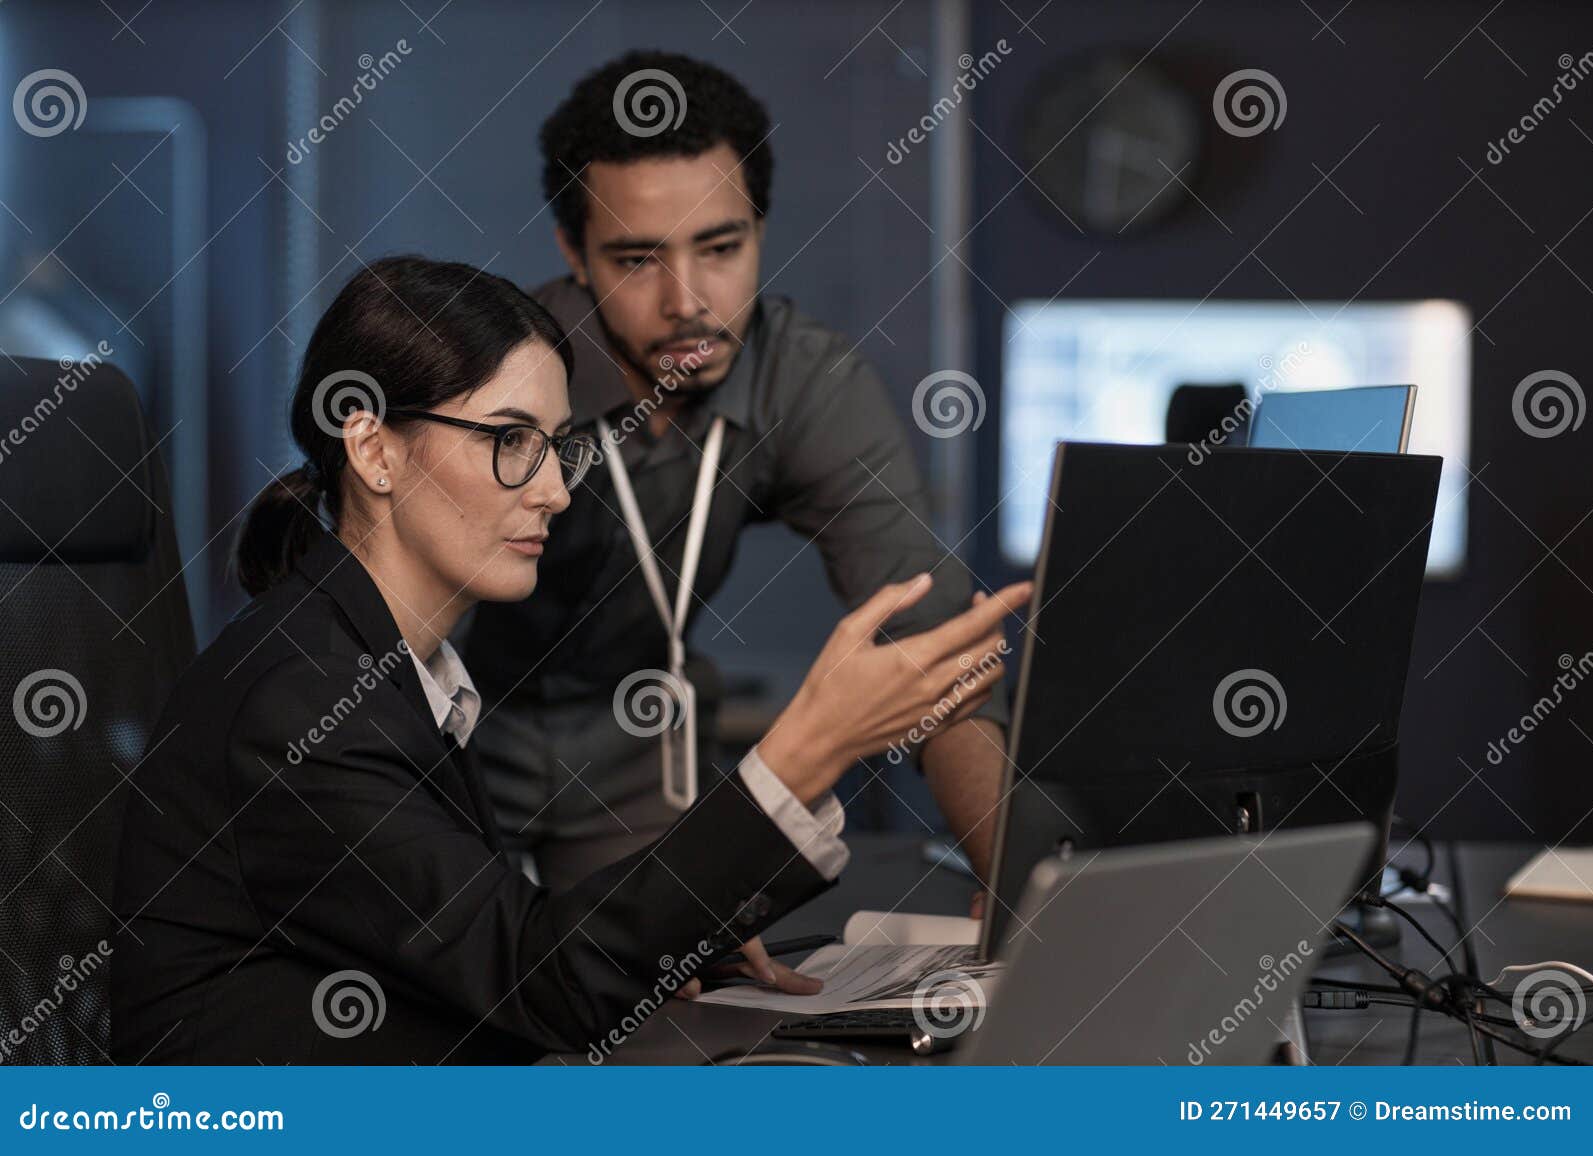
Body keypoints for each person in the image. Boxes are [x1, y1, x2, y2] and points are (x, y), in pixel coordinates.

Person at [108, 255, 1029, 1064]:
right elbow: (539, 981)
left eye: (558, 446)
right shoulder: (300, 706)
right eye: (511, 441)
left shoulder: (377, 666)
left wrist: (673, 937)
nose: (553, 489)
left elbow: (480, 945)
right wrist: (810, 747)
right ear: (374, 446)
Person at [465, 51, 1013, 894]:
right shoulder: (500, 374)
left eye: (721, 246)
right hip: (451, 742)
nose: (689, 300)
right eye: (639, 260)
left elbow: (933, 655)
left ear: (760, 228)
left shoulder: (805, 381)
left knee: (675, 990)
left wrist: (1024, 895)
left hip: (638, 752)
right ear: (575, 253)